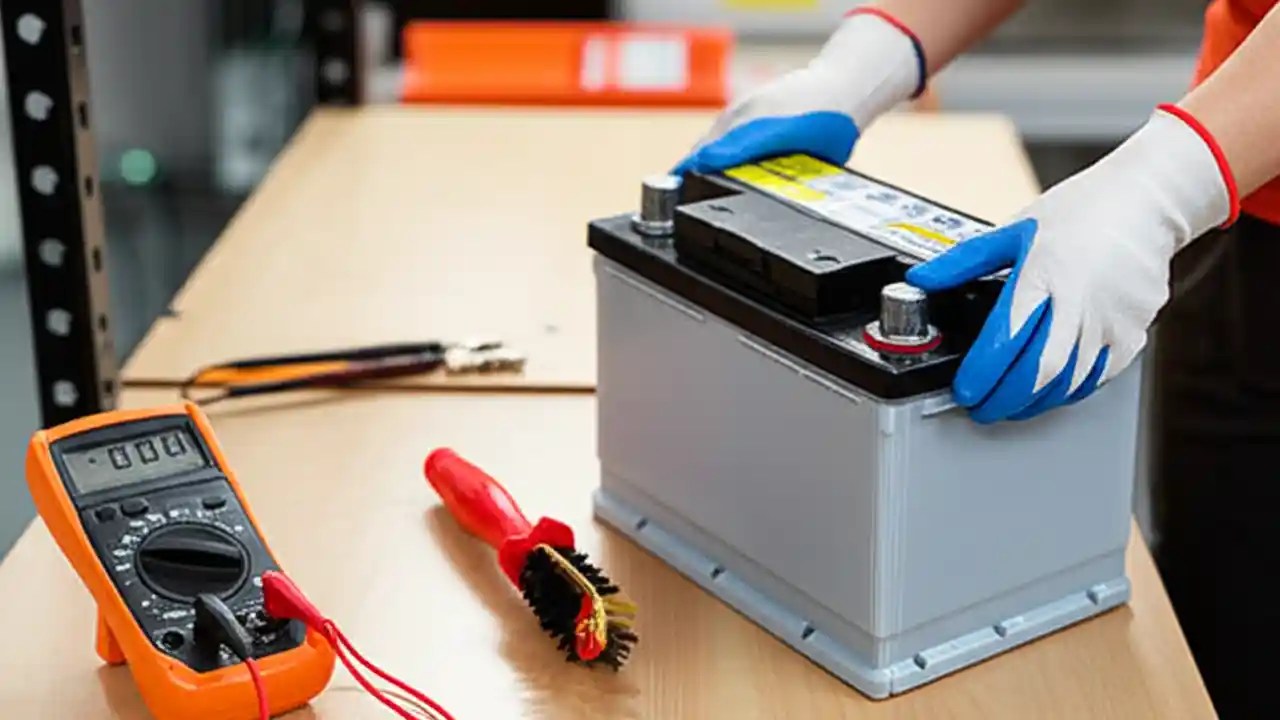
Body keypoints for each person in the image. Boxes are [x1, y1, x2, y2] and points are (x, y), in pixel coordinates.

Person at [674, 2, 1280, 717]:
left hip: (1217, 161)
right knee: (1227, 636)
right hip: (1247, 191)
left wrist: (1162, 185)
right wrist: (867, 62)